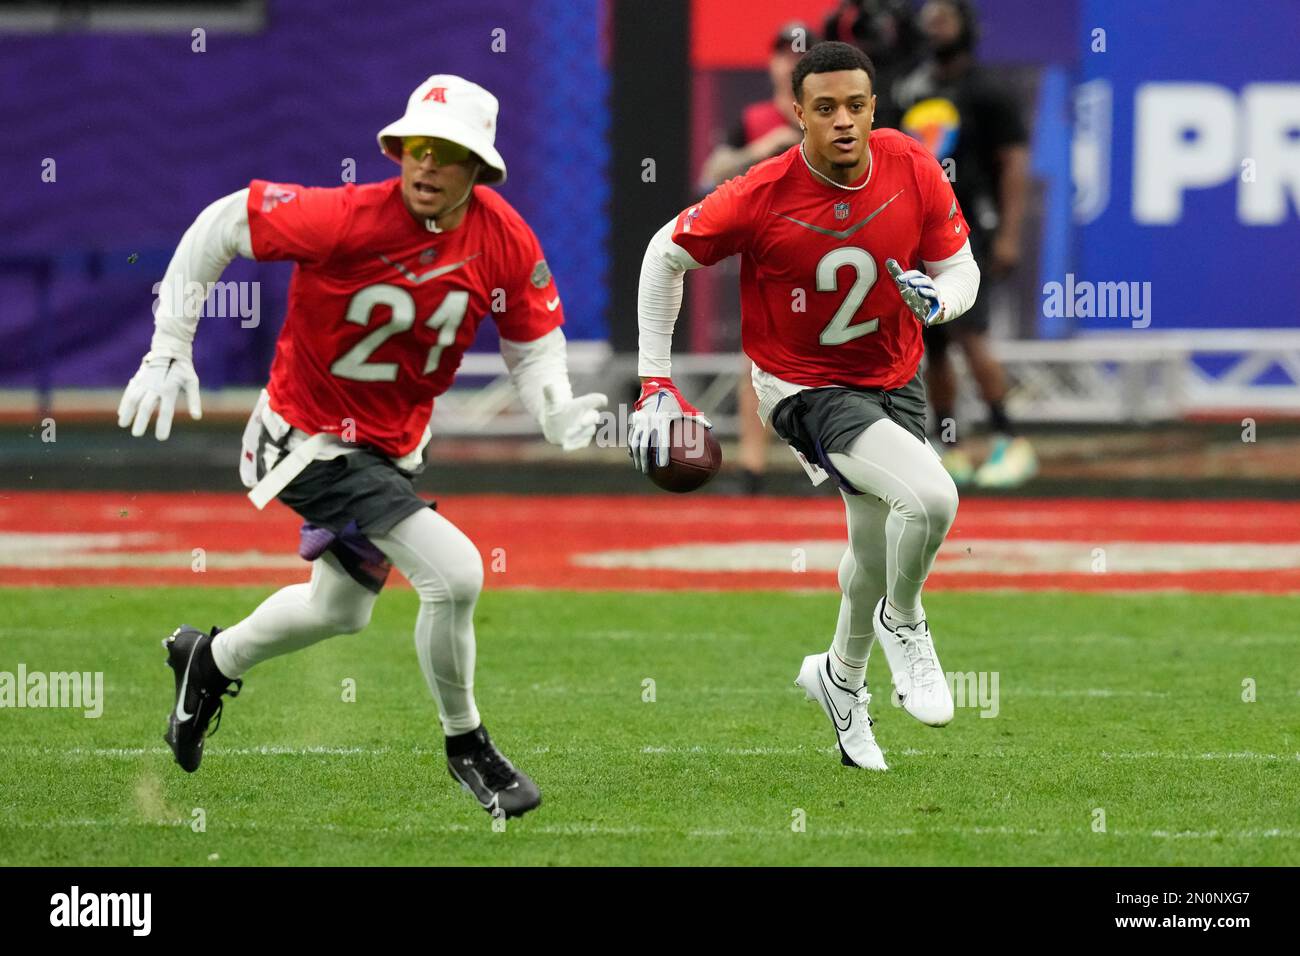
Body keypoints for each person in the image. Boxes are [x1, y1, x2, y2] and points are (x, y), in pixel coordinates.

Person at [116, 74, 606, 818]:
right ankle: (466, 745)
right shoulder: (345, 216)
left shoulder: (502, 236)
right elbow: (222, 223)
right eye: (418, 148)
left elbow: (534, 342)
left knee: (338, 611)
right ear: (398, 149)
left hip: (389, 448)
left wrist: (554, 406)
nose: (428, 166)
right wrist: (167, 347)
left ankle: (206, 661)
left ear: (478, 165)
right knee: (457, 573)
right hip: (302, 438)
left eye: (447, 152)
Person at [630, 42, 979, 770]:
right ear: (799, 116)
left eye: (856, 105)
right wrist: (655, 381)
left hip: (894, 372)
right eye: (826, 109)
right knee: (934, 500)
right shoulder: (760, 192)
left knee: (875, 548)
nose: (844, 121)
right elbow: (665, 252)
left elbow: (959, 266)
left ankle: (841, 682)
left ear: (874, 108)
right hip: (804, 387)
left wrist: (942, 300)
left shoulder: (911, 163)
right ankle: (905, 623)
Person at [894, 0, 1037, 486]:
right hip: (918, 232)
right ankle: (949, 444)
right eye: (928, 20)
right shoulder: (910, 88)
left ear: (966, 27)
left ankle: (1008, 439)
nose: (933, 28)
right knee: (930, 343)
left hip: (970, 228)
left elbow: (1014, 164)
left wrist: (1009, 235)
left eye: (944, 19)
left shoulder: (987, 90)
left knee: (969, 334)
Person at [698, 22, 818, 495]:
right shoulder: (754, 120)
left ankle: (845, 466)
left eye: (800, 55)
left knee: (839, 365)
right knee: (757, 364)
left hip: (828, 250)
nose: (790, 63)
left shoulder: (829, 115)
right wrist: (759, 150)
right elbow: (712, 172)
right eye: (785, 55)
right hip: (770, 257)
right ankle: (753, 470)